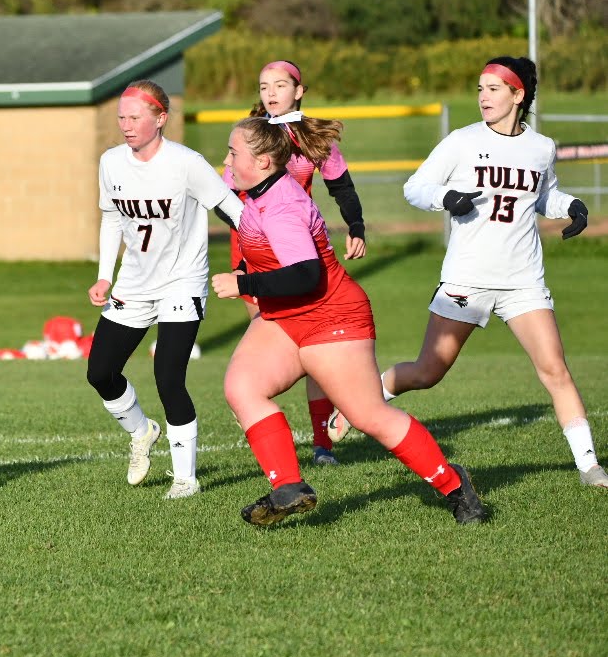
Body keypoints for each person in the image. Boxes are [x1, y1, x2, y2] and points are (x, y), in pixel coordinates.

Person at [330, 57, 602, 488]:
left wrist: (570, 206)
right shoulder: (462, 141)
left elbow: (541, 195)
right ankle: (356, 403)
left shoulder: (541, 147)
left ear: (519, 95)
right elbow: (415, 187)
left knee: (555, 369)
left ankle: (589, 466)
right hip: (467, 279)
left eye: (494, 89)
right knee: (427, 372)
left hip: (523, 280)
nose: (483, 97)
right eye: (480, 89)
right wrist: (448, 197)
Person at [213, 116, 487, 527]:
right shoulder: (255, 188)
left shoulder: (283, 205)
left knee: (367, 416)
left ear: (265, 161)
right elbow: (221, 199)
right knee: (242, 387)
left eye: (234, 152)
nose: (227, 159)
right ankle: (288, 486)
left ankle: (453, 484)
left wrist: (244, 283)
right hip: (284, 317)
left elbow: (307, 274)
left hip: (331, 316)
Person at [87, 80, 244, 499]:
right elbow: (111, 220)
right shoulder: (111, 163)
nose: (126, 124)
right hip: (133, 284)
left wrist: (262, 255)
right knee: (100, 372)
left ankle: (185, 479)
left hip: (182, 280)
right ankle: (142, 432)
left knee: (168, 375)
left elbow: (233, 210)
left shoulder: (186, 163)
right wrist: (105, 275)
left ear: (160, 119)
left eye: (135, 116)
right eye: (121, 116)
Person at [225, 60, 367, 467]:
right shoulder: (250, 136)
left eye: (280, 85)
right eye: (264, 85)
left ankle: (323, 446)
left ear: (299, 90)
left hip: (296, 251)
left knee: (314, 346)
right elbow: (225, 196)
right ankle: (259, 416)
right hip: (252, 254)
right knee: (265, 336)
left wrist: (356, 226)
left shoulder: (313, 137)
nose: (271, 93)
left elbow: (342, 187)